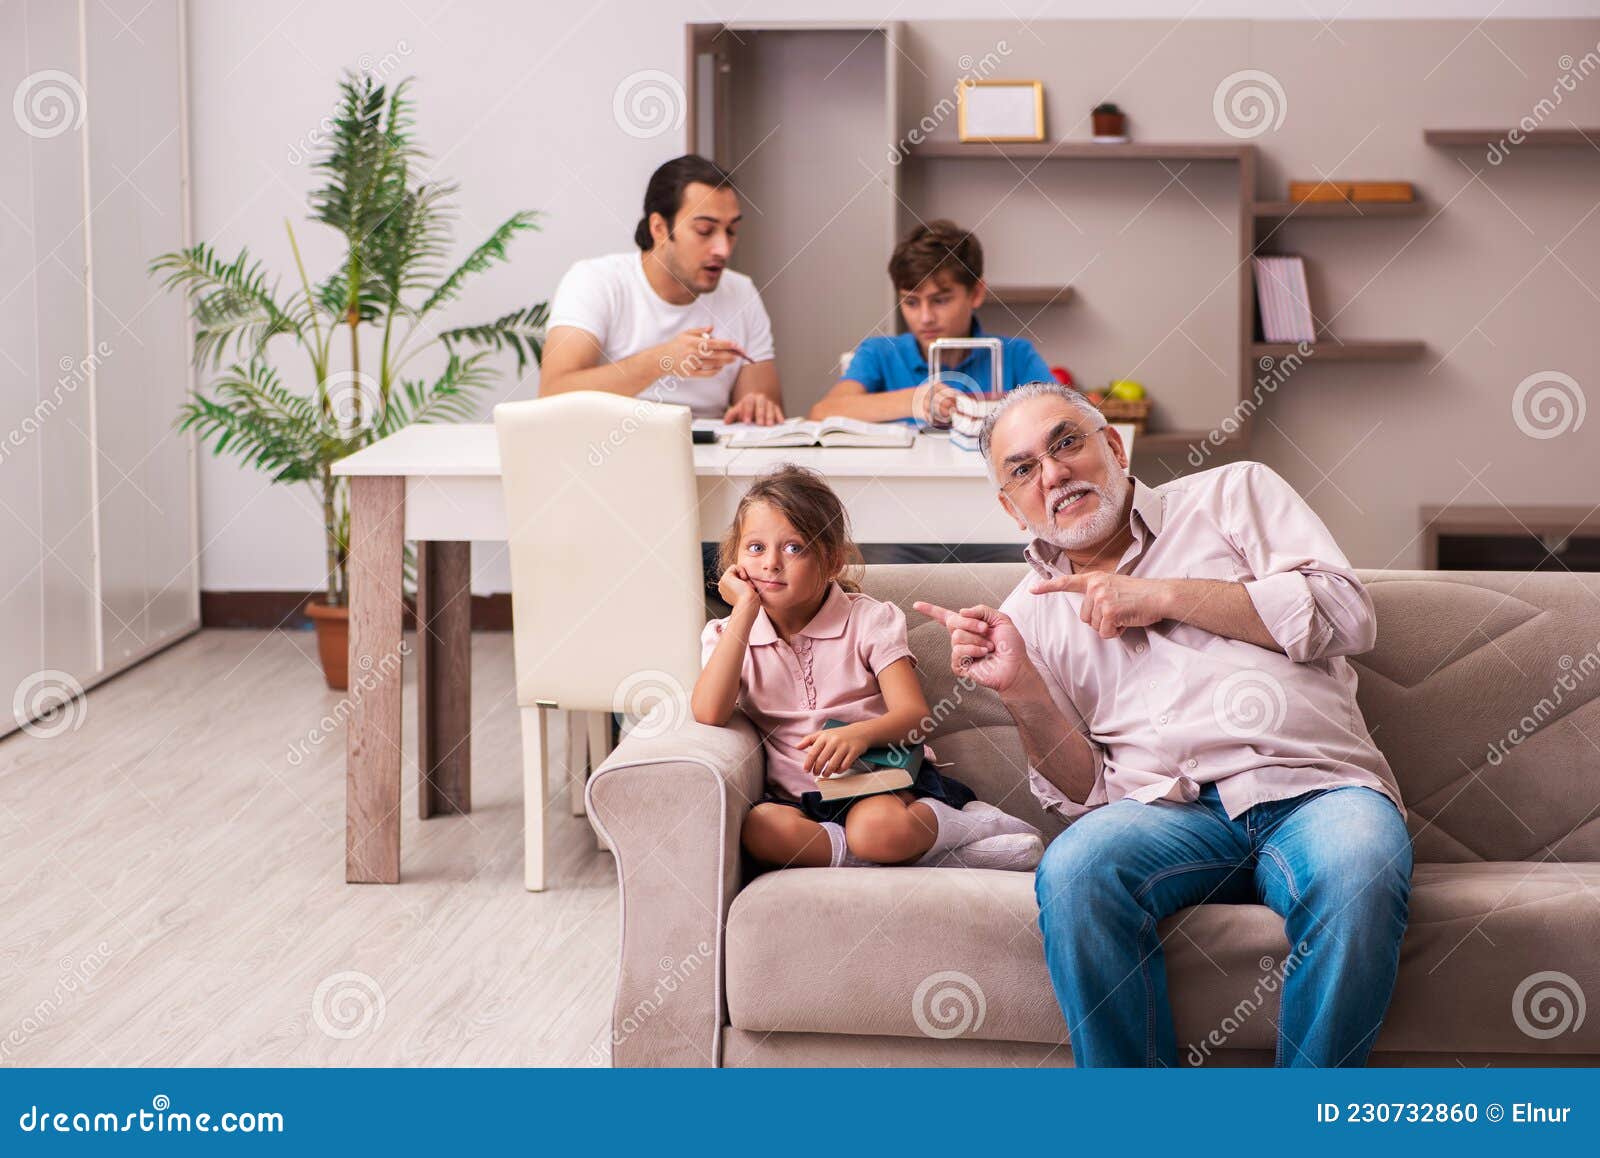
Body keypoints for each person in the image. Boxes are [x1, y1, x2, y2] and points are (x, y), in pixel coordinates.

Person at [914, 380, 1413, 1067]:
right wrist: (1021, 688)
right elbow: (1085, 798)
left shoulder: (1233, 494)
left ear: (1112, 446)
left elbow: (1344, 613)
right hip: (1168, 819)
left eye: (1067, 444)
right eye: (1024, 469)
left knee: (1361, 864)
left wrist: (1161, 596)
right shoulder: (1025, 615)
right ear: (1011, 506)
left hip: (1315, 790)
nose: (1054, 474)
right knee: (1076, 869)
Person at [691, 464, 1044, 872]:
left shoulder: (868, 621)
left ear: (832, 561)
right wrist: (745, 610)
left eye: (793, 548)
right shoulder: (727, 634)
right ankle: (917, 856)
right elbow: (709, 712)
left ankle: (965, 829)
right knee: (759, 829)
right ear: (735, 559)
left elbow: (914, 716)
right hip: (798, 799)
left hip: (879, 785)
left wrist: (860, 735)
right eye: (755, 548)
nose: (771, 563)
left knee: (876, 829)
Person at [812, 220, 1054, 564]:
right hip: (901, 528)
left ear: (976, 293)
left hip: (995, 526)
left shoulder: (1014, 355)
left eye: (940, 300)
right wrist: (914, 400)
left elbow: (1060, 419)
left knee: (1035, 560)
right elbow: (824, 411)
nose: (925, 317)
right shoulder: (880, 353)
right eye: (911, 302)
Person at [541, 154, 785, 425]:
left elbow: (763, 409)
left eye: (731, 231)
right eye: (705, 231)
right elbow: (554, 393)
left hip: (709, 458)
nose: (723, 249)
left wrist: (757, 407)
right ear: (659, 228)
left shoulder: (740, 291)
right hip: (610, 452)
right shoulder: (595, 281)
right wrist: (661, 360)